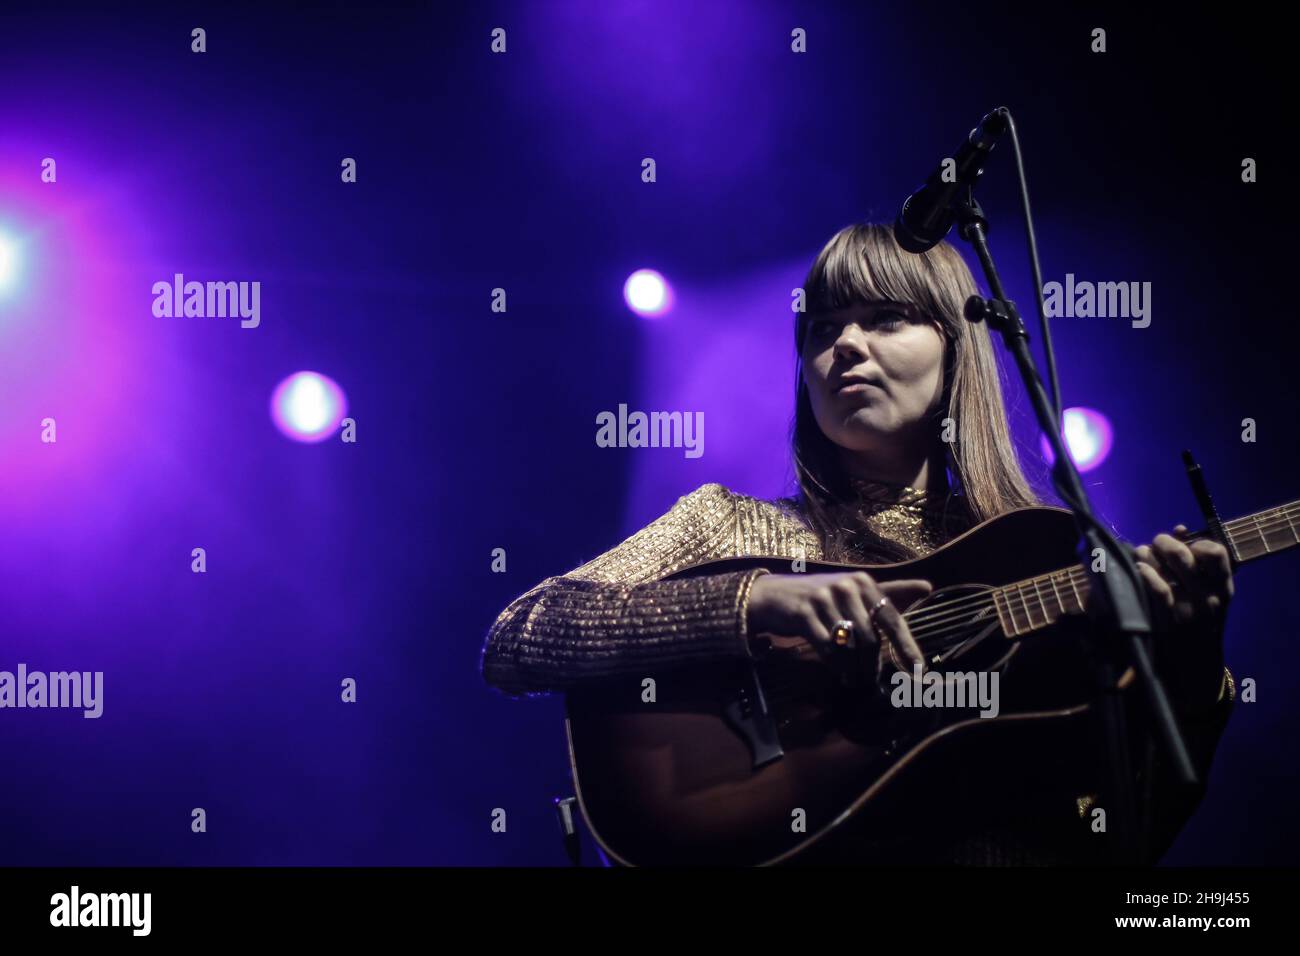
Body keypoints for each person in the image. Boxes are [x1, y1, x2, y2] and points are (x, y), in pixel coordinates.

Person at [479, 222, 1235, 864]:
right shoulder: (730, 524)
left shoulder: (1046, 558)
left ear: (956, 346)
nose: (845, 344)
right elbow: (519, 638)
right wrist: (755, 601)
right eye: (821, 327)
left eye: (885, 317)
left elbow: (1123, 842)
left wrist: (1194, 662)